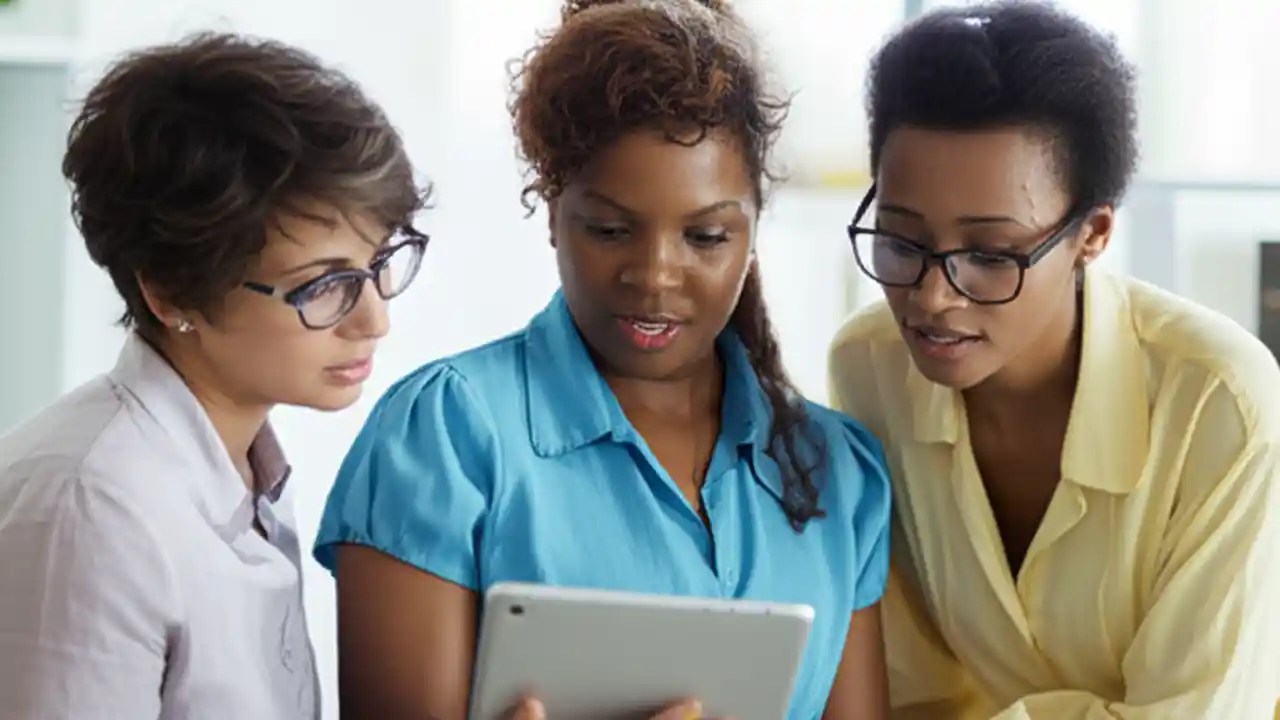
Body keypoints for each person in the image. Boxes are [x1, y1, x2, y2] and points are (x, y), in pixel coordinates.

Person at [313, 1, 892, 718]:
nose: (655, 276)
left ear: (752, 230)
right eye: (611, 229)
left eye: (706, 237)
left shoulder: (837, 472)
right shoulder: (446, 436)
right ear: (553, 212)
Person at [828, 2, 1280, 718]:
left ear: (1092, 234)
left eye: (990, 255)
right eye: (901, 243)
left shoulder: (1221, 402)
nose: (932, 299)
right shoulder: (870, 367)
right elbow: (916, 690)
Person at [0, 32, 429, 718]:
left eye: (379, 263)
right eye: (323, 286)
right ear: (172, 292)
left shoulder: (240, 471)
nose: (373, 319)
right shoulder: (92, 511)